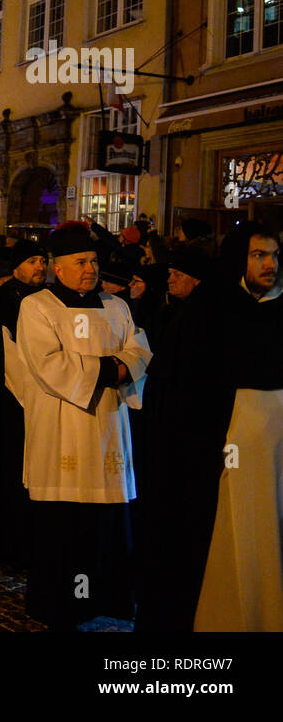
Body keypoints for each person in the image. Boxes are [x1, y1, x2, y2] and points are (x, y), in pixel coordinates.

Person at [14, 223, 151, 629]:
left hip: (109, 426)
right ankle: (61, 602)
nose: (90, 268)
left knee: (108, 524)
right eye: (81, 262)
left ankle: (109, 597)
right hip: (62, 429)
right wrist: (112, 369)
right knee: (64, 527)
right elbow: (46, 364)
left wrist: (126, 365)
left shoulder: (116, 305)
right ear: (59, 267)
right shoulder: (37, 306)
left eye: (93, 260)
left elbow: (139, 345)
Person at [195, 224, 283, 631]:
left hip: (277, 428)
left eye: (274, 255)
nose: (270, 263)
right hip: (238, 427)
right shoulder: (216, 306)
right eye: (258, 255)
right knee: (243, 523)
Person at [135, 243, 220, 632]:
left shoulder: (199, 316)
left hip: (184, 440)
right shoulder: (183, 312)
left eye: (177, 275)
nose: (169, 280)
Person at [0, 238, 47, 565]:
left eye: (42, 261)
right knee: (6, 468)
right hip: (6, 401)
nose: (39, 267)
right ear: (16, 267)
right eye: (32, 261)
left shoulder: (48, 301)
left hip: (39, 400)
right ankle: (2, 538)